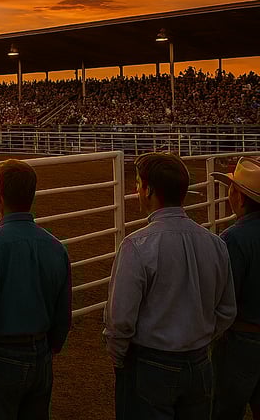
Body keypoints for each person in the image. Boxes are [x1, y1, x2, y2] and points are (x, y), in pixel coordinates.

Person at [104, 152, 236, 419]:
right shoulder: (215, 244)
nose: (137, 190)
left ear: (150, 190)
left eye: (139, 184)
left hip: (152, 363)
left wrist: (119, 357)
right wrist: (200, 338)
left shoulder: (137, 245)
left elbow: (120, 319)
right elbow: (227, 310)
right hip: (198, 362)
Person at [0, 158, 72, 420]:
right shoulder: (56, 248)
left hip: (0, 355)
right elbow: (62, 314)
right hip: (41, 353)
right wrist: (50, 346)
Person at [211, 157, 260, 419]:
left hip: (240, 339)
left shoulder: (233, 238)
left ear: (240, 197)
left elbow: (223, 296)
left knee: (224, 410)